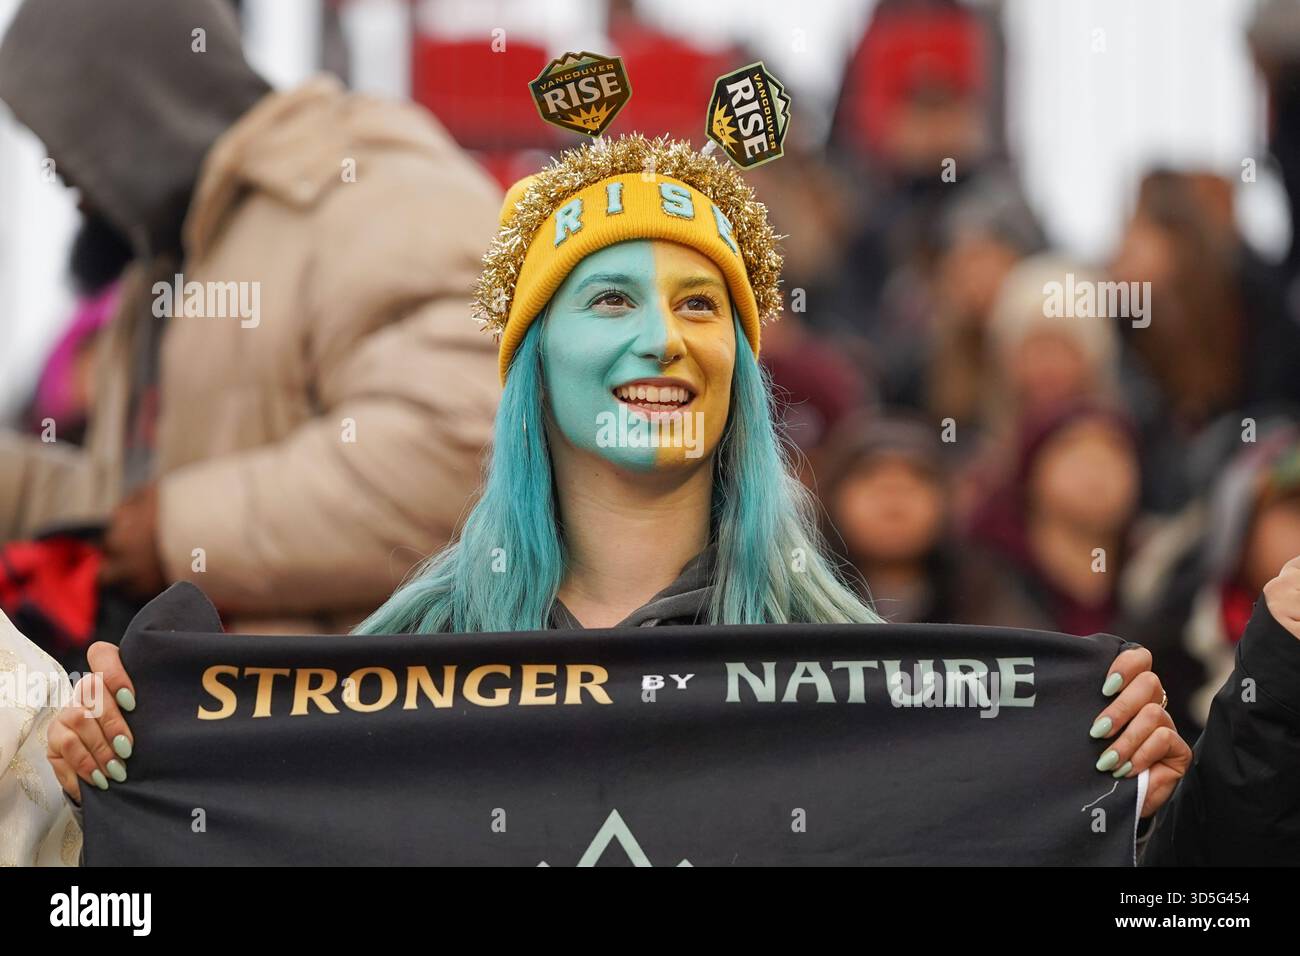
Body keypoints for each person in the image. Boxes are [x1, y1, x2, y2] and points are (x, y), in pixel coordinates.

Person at [46, 135, 1192, 829]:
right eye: (609, 299)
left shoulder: (870, 685)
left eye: (699, 304)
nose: (663, 338)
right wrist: (139, 756)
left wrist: (1128, 808)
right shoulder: (401, 662)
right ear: (533, 361)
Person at [0, 0, 502, 634]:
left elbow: (462, 461)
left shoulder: (377, 192)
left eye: (65, 140)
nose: (64, 181)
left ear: (131, 106)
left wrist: (178, 532)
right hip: (213, 698)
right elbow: (127, 516)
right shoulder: (180, 257)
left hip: (358, 698)